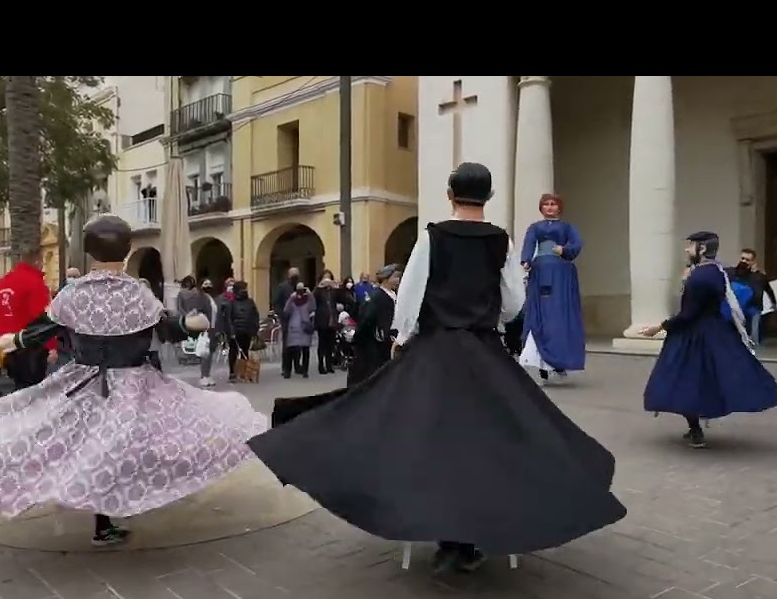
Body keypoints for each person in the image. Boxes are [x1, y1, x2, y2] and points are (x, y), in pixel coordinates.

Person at [248, 162, 626, 573]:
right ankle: (470, 538)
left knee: (420, 435)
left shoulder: (432, 236)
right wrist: (488, 318)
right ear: (489, 197)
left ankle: (445, 535)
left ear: (450, 194)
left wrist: (402, 335)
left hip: (436, 350)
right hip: (484, 353)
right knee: (492, 438)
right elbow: (514, 302)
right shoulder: (502, 239)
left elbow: (410, 293)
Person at [0, 215, 268, 546]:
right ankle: (119, 507)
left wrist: (15, 340)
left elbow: (44, 326)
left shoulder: (74, 294)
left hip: (85, 383)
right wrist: (188, 325)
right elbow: (165, 328)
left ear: (90, 250)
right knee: (143, 441)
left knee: (75, 441)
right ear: (128, 247)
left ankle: (100, 512)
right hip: (136, 386)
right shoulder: (137, 294)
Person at [638, 231, 777, 448]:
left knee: (684, 381)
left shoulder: (698, 278)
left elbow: (688, 314)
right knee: (708, 379)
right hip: (717, 331)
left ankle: (696, 430)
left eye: (691, 246)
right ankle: (697, 427)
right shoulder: (717, 272)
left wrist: (659, 327)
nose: (687, 250)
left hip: (695, 334)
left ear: (703, 249)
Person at [519, 194, 586, 382]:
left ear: (559, 208)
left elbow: (577, 243)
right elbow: (529, 244)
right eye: (546, 204)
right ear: (541, 208)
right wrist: (526, 260)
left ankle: (559, 360)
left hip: (561, 273)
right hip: (540, 272)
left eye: (553, 204)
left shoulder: (567, 227)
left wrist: (564, 250)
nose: (549, 207)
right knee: (541, 314)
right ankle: (540, 359)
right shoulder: (535, 228)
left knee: (559, 314)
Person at [0, 246, 55, 391]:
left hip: (6, 343)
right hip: (30, 343)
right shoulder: (35, 283)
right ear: (37, 261)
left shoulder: (2, 283)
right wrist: (51, 346)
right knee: (32, 390)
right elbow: (42, 317)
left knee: (17, 386)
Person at [346, 264, 398, 386]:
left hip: (389, 341)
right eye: (395, 277)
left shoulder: (393, 295)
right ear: (386, 278)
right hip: (376, 344)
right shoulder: (376, 297)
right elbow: (366, 319)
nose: (398, 280)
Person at [224, 281, 260, 383]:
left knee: (245, 351)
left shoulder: (250, 302)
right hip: (235, 332)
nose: (245, 290)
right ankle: (232, 372)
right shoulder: (231, 303)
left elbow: (255, 316)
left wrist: (255, 329)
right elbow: (228, 319)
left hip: (247, 331)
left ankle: (244, 372)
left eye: (245, 288)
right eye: (243, 288)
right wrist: (231, 332)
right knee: (233, 352)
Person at [281, 282, 315, 378]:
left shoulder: (308, 301)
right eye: (299, 290)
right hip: (294, 328)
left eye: (302, 290)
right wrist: (291, 298)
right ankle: (287, 371)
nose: (300, 293)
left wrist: (310, 294)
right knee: (290, 350)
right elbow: (286, 310)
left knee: (305, 350)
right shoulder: (292, 301)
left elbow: (313, 307)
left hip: (305, 328)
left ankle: (305, 371)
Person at [312, 271, 341, 374]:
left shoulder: (333, 291)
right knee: (322, 344)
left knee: (331, 344)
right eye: (325, 278)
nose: (327, 280)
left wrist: (337, 287)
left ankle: (329, 365)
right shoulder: (319, 290)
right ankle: (321, 365)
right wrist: (319, 287)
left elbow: (342, 298)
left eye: (329, 278)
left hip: (332, 320)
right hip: (322, 320)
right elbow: (313, 299)